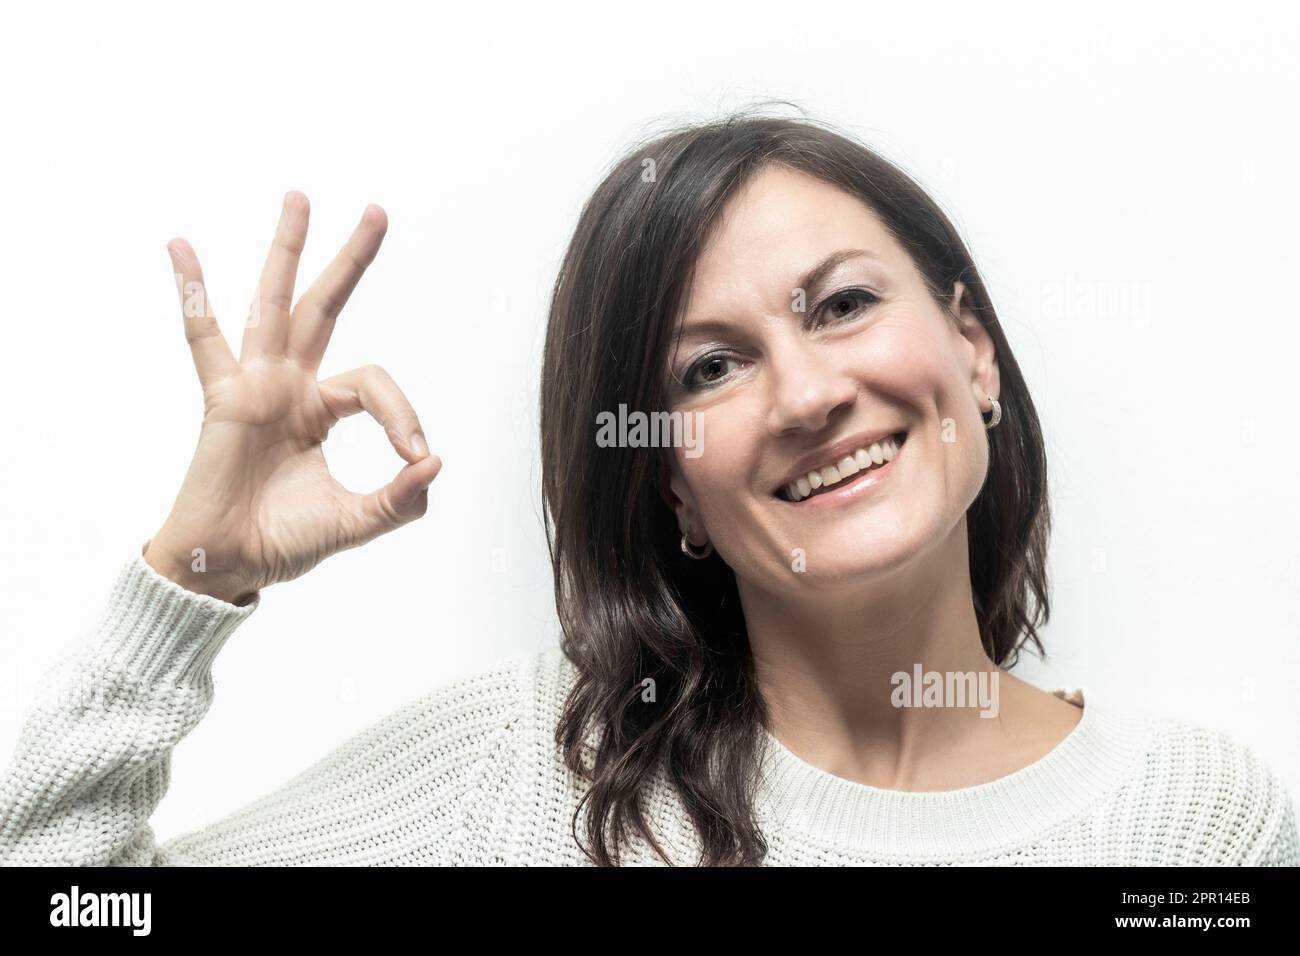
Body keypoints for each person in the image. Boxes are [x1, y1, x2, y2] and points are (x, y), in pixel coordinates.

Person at [1, 111, 1295, 867]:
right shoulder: (524, 773)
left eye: (843, 305)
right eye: (711, 368)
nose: (801, 397)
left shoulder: (1198, 820)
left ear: (973, 352)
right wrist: (195, 571)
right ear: (670, 490)